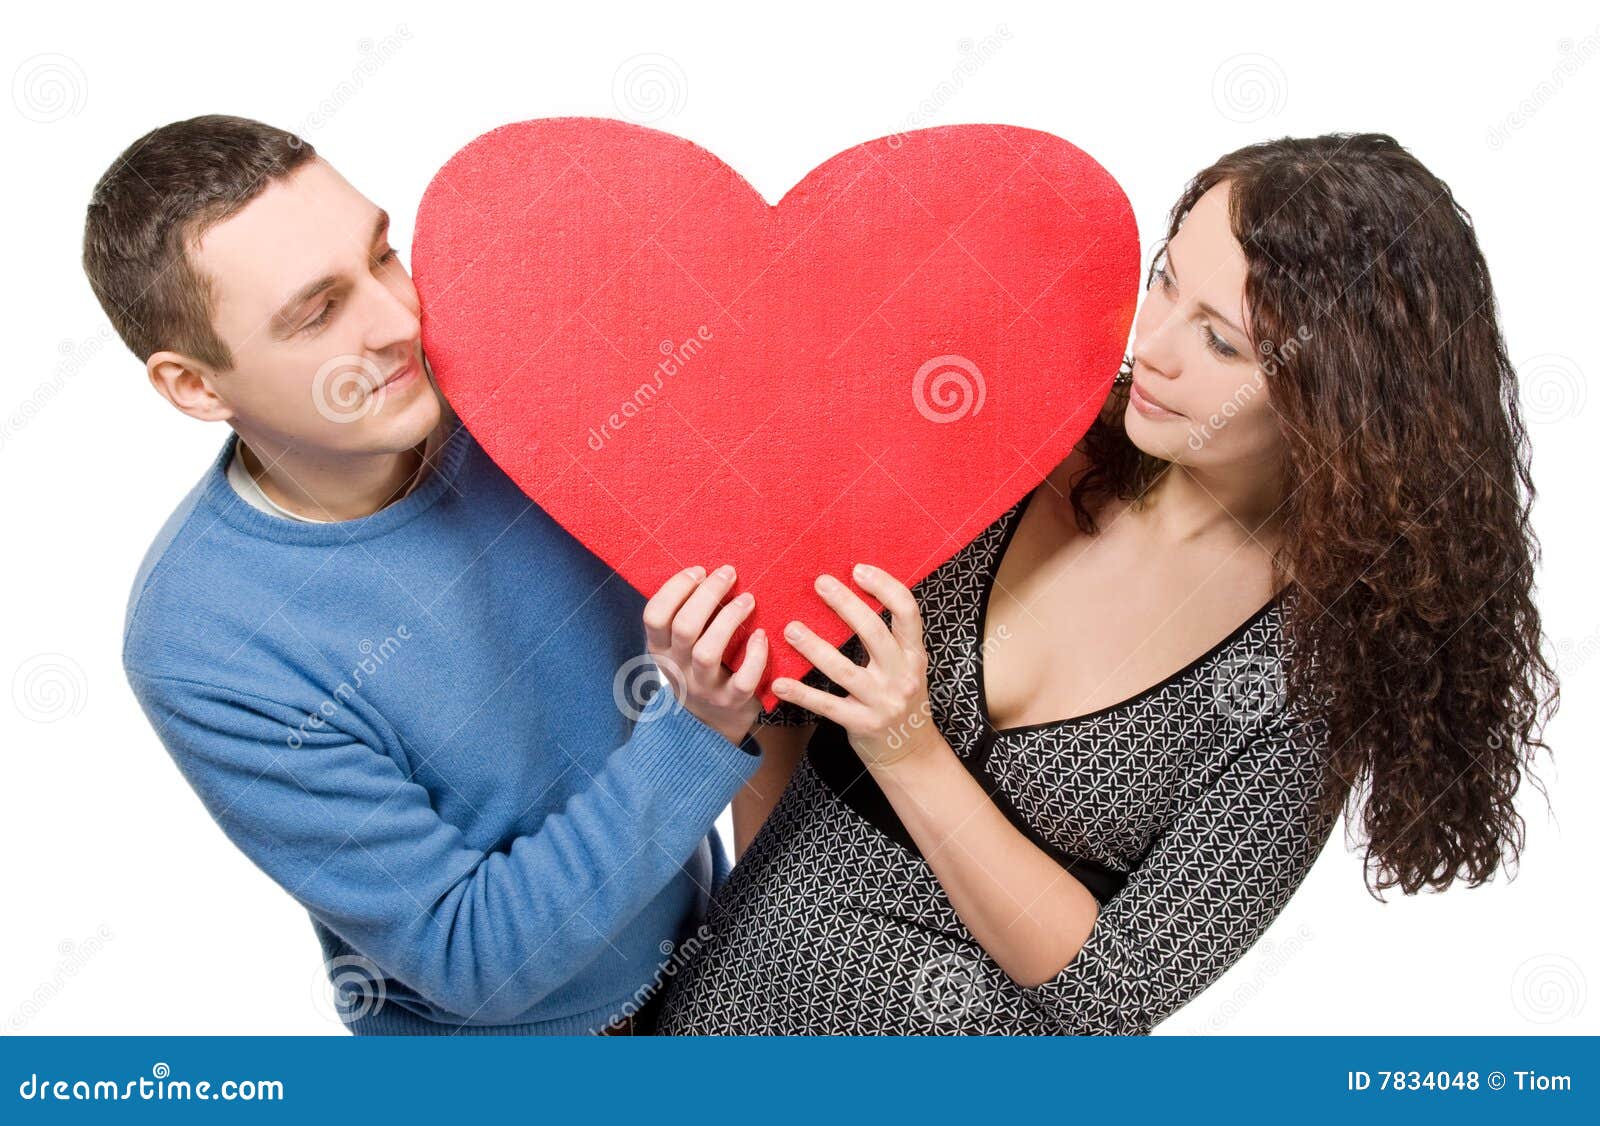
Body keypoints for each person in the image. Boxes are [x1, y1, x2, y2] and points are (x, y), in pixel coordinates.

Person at [654, 133, 1559, 1035]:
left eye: (1221, 341)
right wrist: (764, 906)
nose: (1152, 347)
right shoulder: (1018, 436)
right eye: (1165, 281)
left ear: (1338, 397)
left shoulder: (1312, 681)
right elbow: (792, 686)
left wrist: (910, 754)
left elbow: (1117, 992)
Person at [84, 115, 772, 1034]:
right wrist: (696, 726)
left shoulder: (524, 394)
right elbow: (473, 960)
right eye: (319, 312)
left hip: (714, 955)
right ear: (196, 387)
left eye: (383, 255)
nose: (399, 320)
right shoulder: (201, 644)